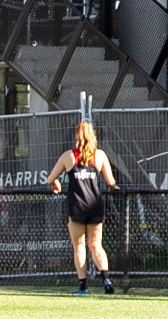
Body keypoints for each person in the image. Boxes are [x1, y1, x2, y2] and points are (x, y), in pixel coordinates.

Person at [47, 120, 119, 295]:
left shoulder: (69, 156)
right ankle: (106, 279)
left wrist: (55, 184)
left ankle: (83, 286)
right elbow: (111, 182)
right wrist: (114, 188)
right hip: (94, 206)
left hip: (77, 206)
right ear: (93, 136)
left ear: (76, 136)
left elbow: (50, 178)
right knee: (96, 245)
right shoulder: (100, 155)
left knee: (79, 246)